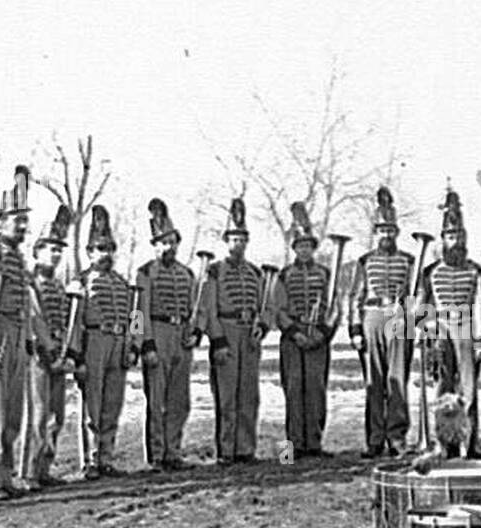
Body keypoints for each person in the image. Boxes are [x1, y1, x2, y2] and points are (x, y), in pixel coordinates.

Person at [65, 205, 136, 478]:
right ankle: (90, 461)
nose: (106, 254)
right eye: (100, 249)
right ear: (89, 253)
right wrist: (77, 355)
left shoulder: (121, 283)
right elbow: (74, 321)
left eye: (109, 249)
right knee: (91, 406)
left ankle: (107, 457)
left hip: (118, 344)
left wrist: (134, 344)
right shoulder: (81, 282)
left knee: (112, 405)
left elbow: (135, 315)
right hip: (93, 341)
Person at [196, 198, 267, 464]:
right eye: (234, 239)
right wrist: (218, 341)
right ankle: (226, 450)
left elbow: (265, 305)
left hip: (249, 334)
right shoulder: (214, 271)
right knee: (226, 396)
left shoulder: (255, 272)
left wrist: (262, 327)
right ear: (226, 241)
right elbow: (208, 308)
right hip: (225, 332)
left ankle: (245, 448)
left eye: (242, 239)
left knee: (249, 394)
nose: (238, 244)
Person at [417, 190, 481, 457]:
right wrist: (428, 331)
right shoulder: (431, 272)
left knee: (468, 390)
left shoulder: (474, 271)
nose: (454, 241)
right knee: (441, 387)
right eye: (450, 236)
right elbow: (423, 305)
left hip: (467, 328)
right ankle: (440, 443)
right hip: (441, 330)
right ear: (443, 239)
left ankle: (468, 444)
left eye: (458, 236)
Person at [347, 187, 415, 459]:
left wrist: (413, 320)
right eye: (381, 230)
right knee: (374, 382)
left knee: (397, 380)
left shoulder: (409, 260)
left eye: (390, 230)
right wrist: (354, 330)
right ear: (375, 232)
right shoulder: (364, 262)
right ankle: (374, 438)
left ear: (396, 232)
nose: (386, 235)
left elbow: (415, 294)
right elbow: (354, 296)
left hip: (399, 318)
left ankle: (397, 437)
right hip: (372, 317)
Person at [0, 165, 36, 500]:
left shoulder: (17, 257)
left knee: (14, 411)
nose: (23, 226)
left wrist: (27, 338)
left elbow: (25, 305)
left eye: (25, 220)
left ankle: (6, 474)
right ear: (1, 221)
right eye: (18, 220)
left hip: (16, 336)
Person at [135, 199, 197, 471]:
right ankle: (156, 455)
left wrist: (196, 334)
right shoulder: (145, 272)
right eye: (161, 242)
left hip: (181, 336)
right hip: (156, 334)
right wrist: (144, 344)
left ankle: (174, 451)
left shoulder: (188, 273)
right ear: (154, 245)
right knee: (157, 401)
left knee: (179, 400)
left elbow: (197, 309)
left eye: (171, 242)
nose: (167, 247)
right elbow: (138, 314)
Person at [272, 202, 337, 459]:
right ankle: (291, 447)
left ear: (314, 248)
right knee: (293, 390)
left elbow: (334, 307)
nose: (304, 250)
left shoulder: (325, 274)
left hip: (318, 339)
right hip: (293, 338)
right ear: (294, 249)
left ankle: (314, 444)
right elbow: (278, 308)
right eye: (300, 246)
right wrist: (294, 332)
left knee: (316, 390)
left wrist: (322, 333)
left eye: (308, 246)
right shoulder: (284, 274)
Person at [22, 204, 73, 487]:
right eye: (50, 249)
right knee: (39, 414)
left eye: (58, 250)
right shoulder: (30, 283)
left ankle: (44, 468)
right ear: (37, 251)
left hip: (61, 352)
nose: (55, 254)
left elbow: (66, 319)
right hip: (39, 355)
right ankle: (30, 471)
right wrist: (48, 350)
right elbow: (34, 318)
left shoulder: (60, 285)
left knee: (57, 415)